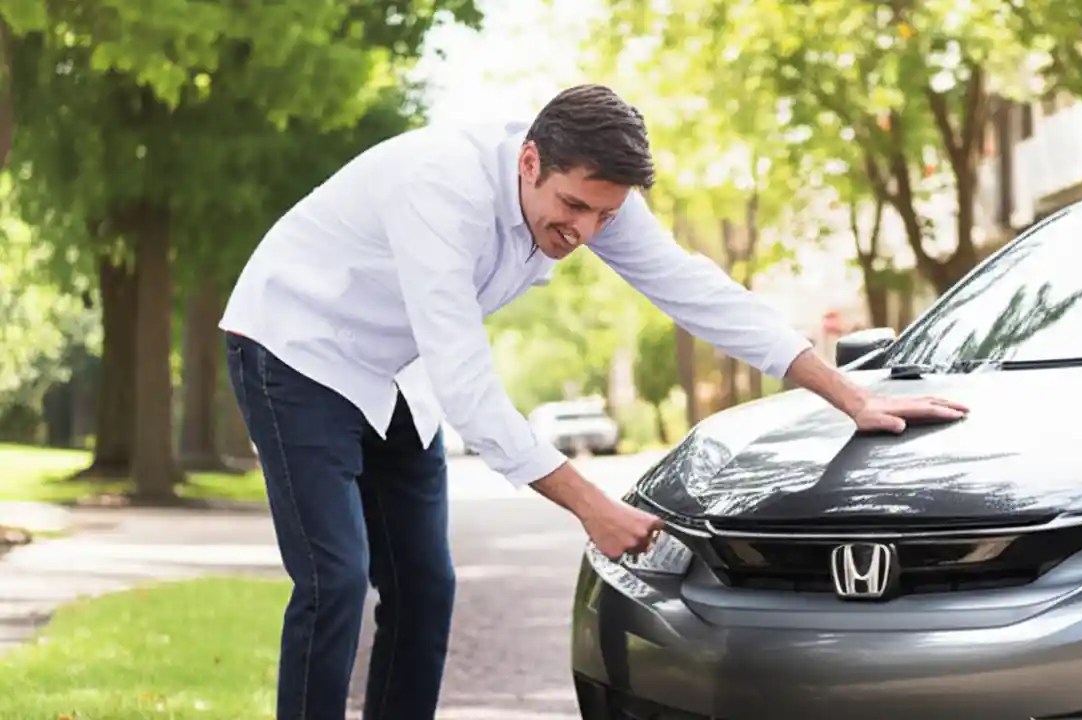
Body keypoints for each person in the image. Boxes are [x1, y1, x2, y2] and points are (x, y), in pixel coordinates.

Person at [219, 84, 968, 720]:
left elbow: (694, 289)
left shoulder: (597, 195)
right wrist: (591, 506)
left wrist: (849, 395)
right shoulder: (438, 190)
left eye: (604, 218)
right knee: (335, 578)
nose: (583, 232)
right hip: (295, 349)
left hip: (392, 376)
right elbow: (467, 384)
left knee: (425, 587)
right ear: (529, 161)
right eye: (573, 207)